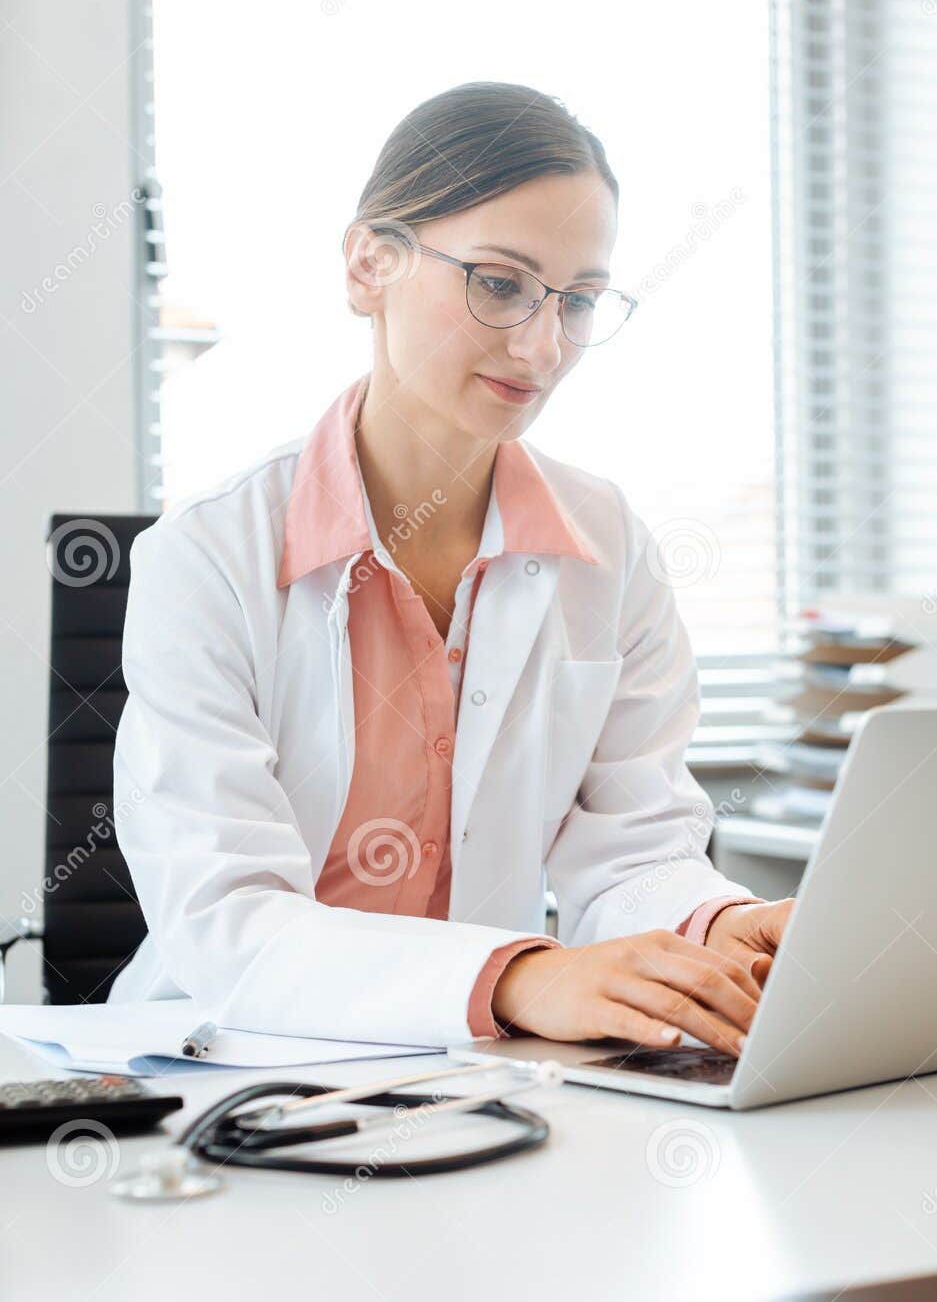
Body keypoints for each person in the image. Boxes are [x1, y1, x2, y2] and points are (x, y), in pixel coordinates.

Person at [108, 80, 794, 1053]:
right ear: (366, 265)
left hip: (475, 1077)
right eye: (500, 282)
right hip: (221, 1067)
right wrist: (520, 974)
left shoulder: (607, 547)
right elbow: (228, 921)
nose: (542, 343)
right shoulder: (206, 558)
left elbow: (630, 852)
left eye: (580, 300)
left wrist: (721, 926)